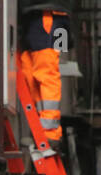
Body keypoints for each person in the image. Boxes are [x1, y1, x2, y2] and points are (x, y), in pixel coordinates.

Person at [18, 3, 71, 147]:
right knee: (30, 73)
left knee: (46, 72)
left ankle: (51, 131)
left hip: (49, 15)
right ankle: (43, 127)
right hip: (37, 16)